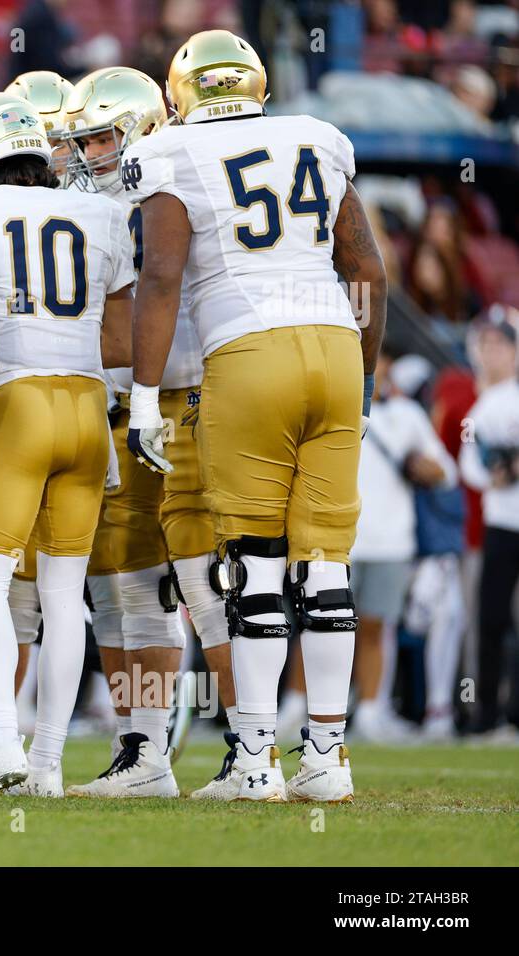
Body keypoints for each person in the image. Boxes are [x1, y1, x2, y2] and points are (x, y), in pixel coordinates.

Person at [123, 30, 387, 803]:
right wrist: (364, 377)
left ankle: (253, 763)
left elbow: (162, 276)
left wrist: (143, 399)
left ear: (181, 95)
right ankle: (329, 758)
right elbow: (364, 266)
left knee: (258, 567)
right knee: (328, 566)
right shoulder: (316, 137)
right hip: (336, 343)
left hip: (249, 350)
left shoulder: (172, 153)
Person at [0, 94, 132, 797]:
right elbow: (121, 337)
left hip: (15, 399)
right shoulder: (102, 213)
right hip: (86, 404)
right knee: (61, 591)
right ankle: (46, 764)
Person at [58, 65, 242, 800]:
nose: (88, 154)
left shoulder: (173, 184)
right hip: (127, 407)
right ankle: (144, 750)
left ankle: (248, 744)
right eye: (82, 140)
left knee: (204, 581)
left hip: (188, 394)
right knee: (128, 582)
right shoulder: (93, 203)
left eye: (101, 137)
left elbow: (145, 310)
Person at [349, 349, 458, 741]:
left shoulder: (407, 415)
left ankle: (370, 710)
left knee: (377, 628)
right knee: (323, 626)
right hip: (341, 538)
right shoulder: (336, 406)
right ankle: (300, 709)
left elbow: (447, 472)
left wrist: (425, 467)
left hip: (390, 541)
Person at [459, 319, 519, 736]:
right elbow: (469, 460)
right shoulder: (481, 407)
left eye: (499, 344)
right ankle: (484, 714)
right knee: (491, 618)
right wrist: (493, 474)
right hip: (501, 521)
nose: (491, 352)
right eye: (486, 344)